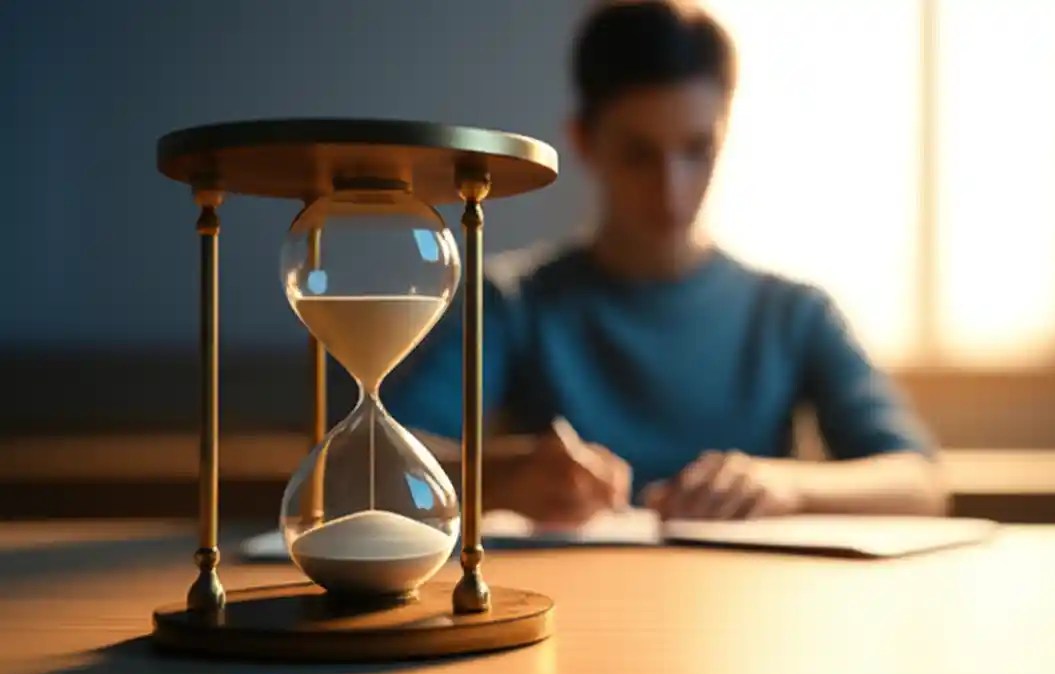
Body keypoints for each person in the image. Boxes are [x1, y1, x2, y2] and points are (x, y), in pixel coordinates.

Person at [384, 0, 946, 525]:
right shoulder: (511, 300)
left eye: (697, 150)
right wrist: (503, 477)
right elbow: (383, 461)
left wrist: (790, 487)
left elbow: (920, 483)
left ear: (725, 134)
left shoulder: (792, 313)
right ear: (584, 141)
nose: (672, 190)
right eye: (639, 155)